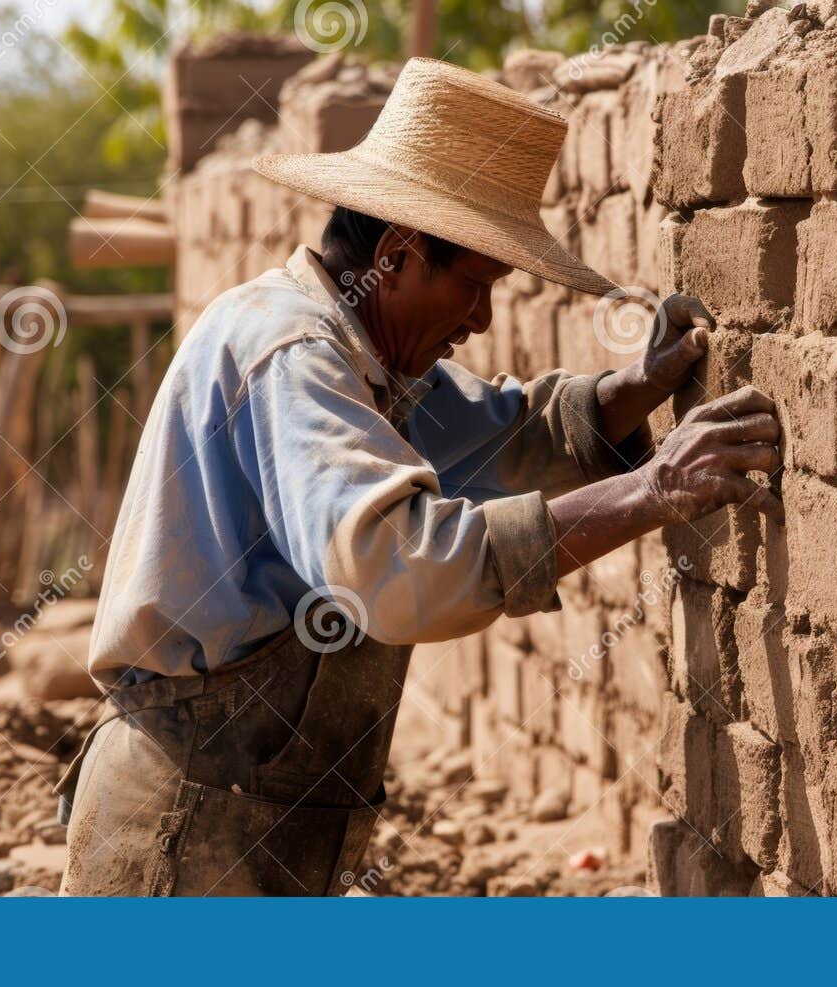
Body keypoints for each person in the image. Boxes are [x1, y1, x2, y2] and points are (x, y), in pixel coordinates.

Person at [58, 57, 780, 896]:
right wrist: (653, 490)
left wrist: (639, 386)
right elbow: (397, 568)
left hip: (255, 811)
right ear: (397, 256)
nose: (482, 319)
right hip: (184, 828)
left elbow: (503, 434)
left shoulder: (366, 362)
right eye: (474, 287)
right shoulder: (294, 355)